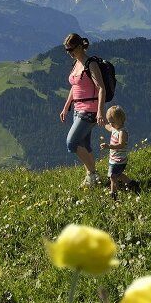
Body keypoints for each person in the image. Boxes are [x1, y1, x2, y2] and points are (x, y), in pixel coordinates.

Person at [59, 32, 106, 188]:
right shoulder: (76, 63)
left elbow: (101, 88)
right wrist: (66, 107)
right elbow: (75, 87)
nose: (69, 53)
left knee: (71, 143)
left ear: (80, 46)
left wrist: (100, 111)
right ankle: (91, 179)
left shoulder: (90, 64)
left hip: (90, 110)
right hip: (77, 109)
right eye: (67, 50)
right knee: (84, 145)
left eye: (71, 49)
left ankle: (93, 174)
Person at [100, 105, 136, 197]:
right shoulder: (114, 128)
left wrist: (109, 146)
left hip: (119, 160)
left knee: (113, 176)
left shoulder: (122, 132)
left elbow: (121, 145)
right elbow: (108, 127)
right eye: (109, 121)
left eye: (112, 122)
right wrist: (103, 121)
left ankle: (114, 194)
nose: (111, 124)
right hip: (114, 159)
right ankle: (131, 183)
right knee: (118, 174)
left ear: (120, 120)